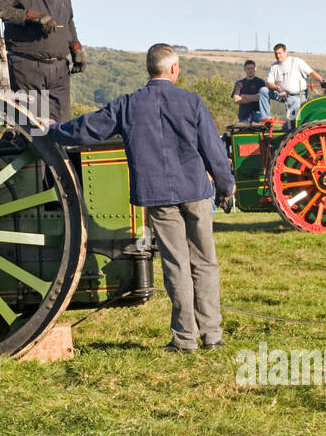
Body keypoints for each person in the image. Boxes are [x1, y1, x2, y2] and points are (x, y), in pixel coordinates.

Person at [46, 44, 235, 353]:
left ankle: (184, 339)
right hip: (196, 192)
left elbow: (88, 128)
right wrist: (227, 187)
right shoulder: (193, 102)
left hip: (158, 196)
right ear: (173, 69)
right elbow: (213, 151)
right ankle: (212, 336)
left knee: (176, 265)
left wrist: (54, 131)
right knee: (205, 263)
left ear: (149, 69)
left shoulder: (129, 104)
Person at [259, 43, 315, 130]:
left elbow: (311, 72)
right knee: (263, 90)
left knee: (294, 123)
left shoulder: (296, 61)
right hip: (281, 93)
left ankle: (290, 132)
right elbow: (269, 83)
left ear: (285, 52)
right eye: (276, 53)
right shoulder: (274, 66)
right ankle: (267, 119)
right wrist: (279, 89)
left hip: (296, 95)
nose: (278, 55)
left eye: (280, 53)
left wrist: (322, 81)